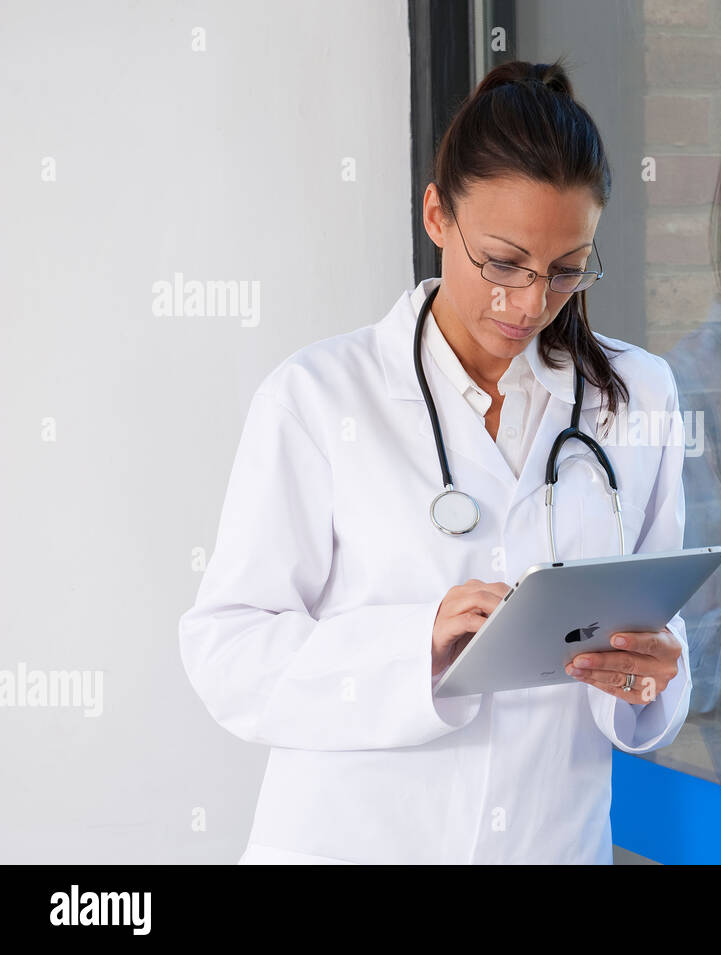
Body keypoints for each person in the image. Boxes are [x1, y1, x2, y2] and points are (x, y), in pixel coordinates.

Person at [177, 58, 692, 864]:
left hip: (550, 839)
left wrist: (659, 669)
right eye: (503, 262)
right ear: (436, 216)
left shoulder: (638, 398)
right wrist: (417, 641)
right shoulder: (319, 398)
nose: (529, 303)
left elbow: (658, 615)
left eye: (565, 271)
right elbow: (228, 652)